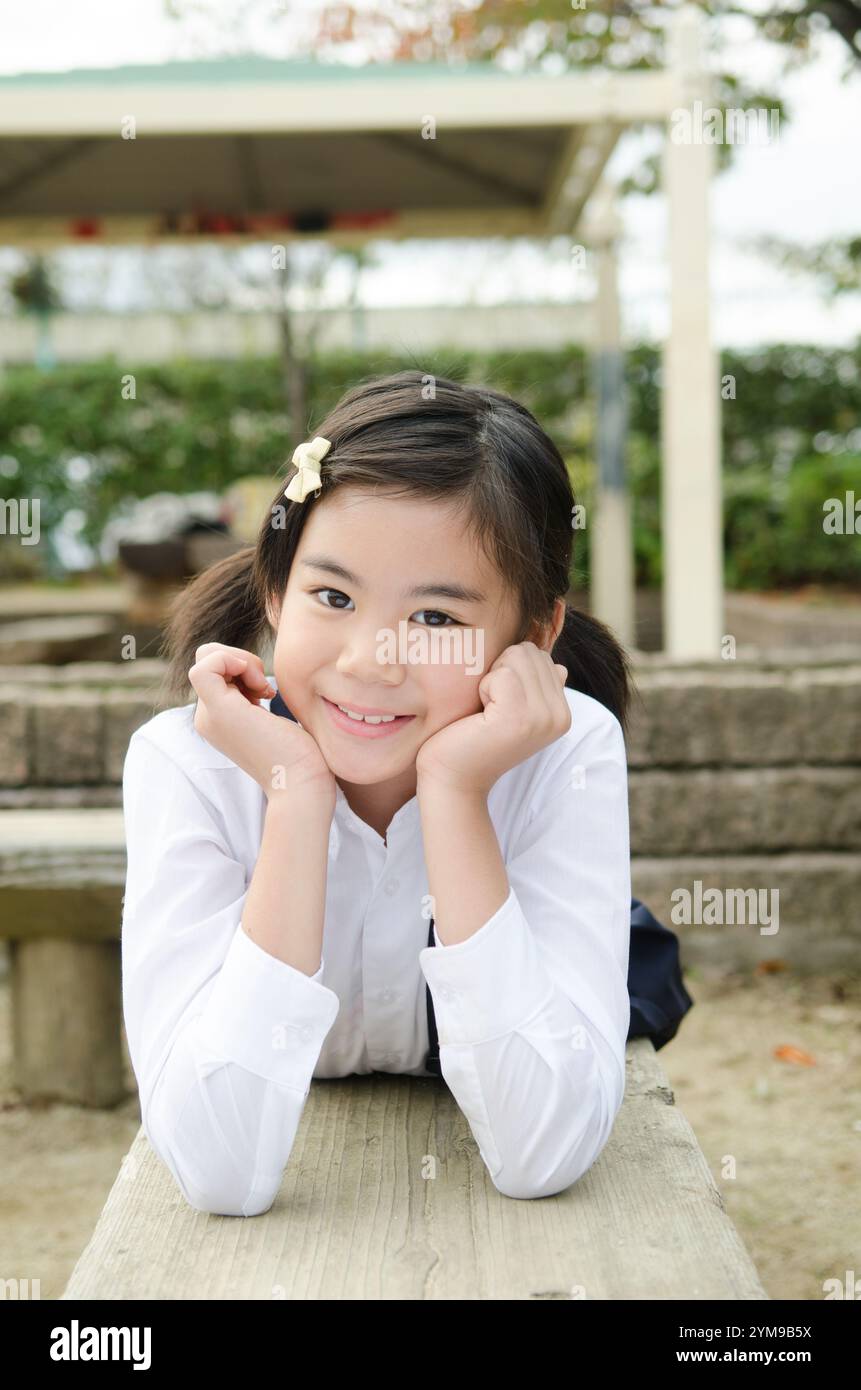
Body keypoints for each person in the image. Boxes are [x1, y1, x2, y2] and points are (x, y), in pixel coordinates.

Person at [121, 369, 692, 1219]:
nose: (369, 659)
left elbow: (542, 1151)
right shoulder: (186, 763)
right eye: (332, 596)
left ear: (533, 635)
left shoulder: (563, 750)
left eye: (435, 619)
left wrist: (456, 793)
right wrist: (295, 796)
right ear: (275, 593)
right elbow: (219, 1171)